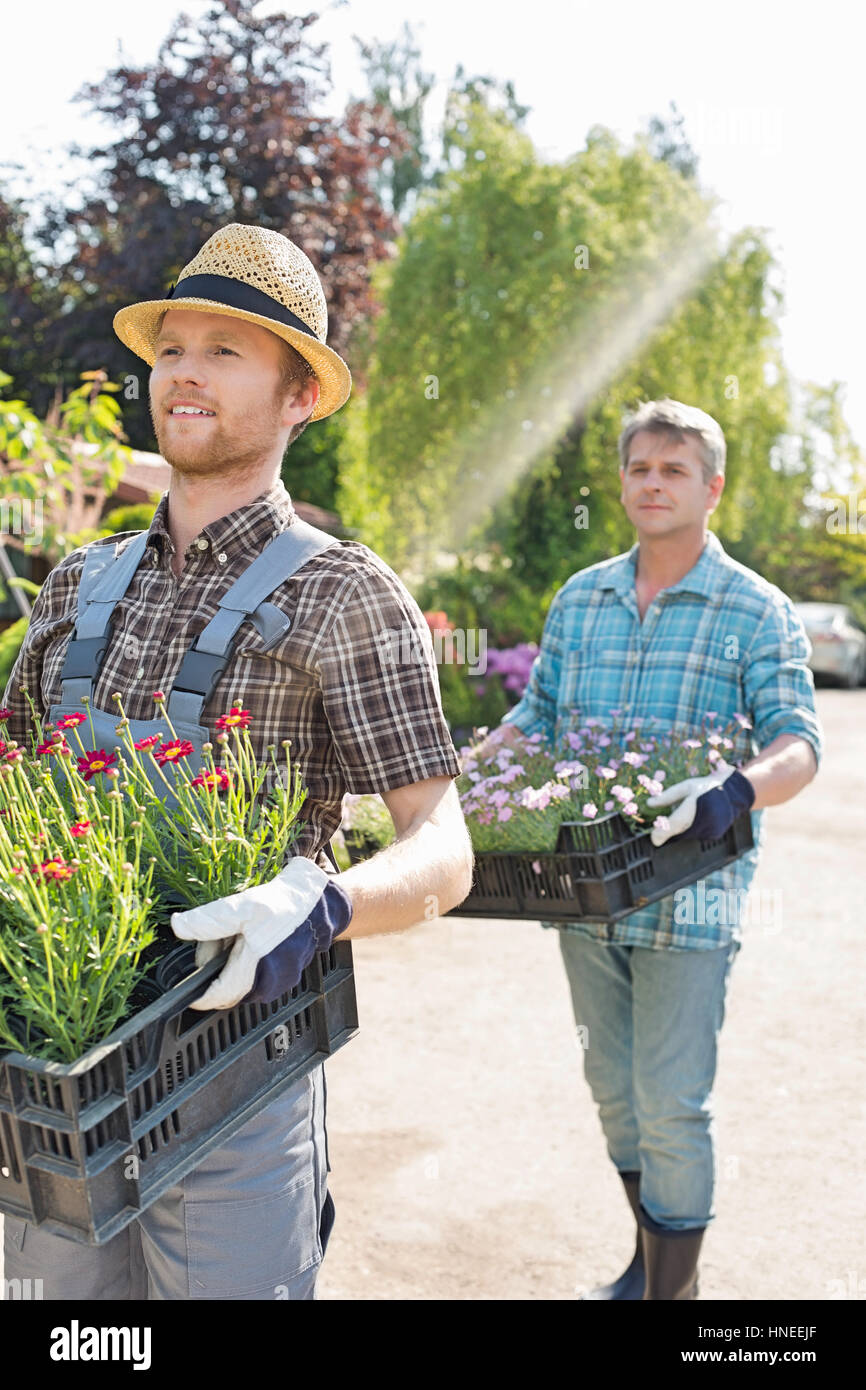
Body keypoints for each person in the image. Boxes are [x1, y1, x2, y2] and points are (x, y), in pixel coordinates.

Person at [1, 223, 473, 1300]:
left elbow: (441, 847)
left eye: (225, 350)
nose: (183, 372)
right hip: (55, 1077)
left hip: (236, 1082)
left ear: (299, 394)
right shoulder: (76, 585)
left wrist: (315, 904)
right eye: (171, 348)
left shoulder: (345, 595)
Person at [484, 399, 823, 1300]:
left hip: (692, 896)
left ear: (712, 488)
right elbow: (541, 716)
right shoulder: (582, 596)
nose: (653, 483)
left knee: (671, 1105)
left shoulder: (757, 609)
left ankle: (675, 1294)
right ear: (623, 481)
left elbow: (799, 742)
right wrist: (468, 774)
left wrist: (735, 788)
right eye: (640, 468)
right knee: (614, 1094)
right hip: (581, 891)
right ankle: (647, 1263)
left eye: (674, 470)